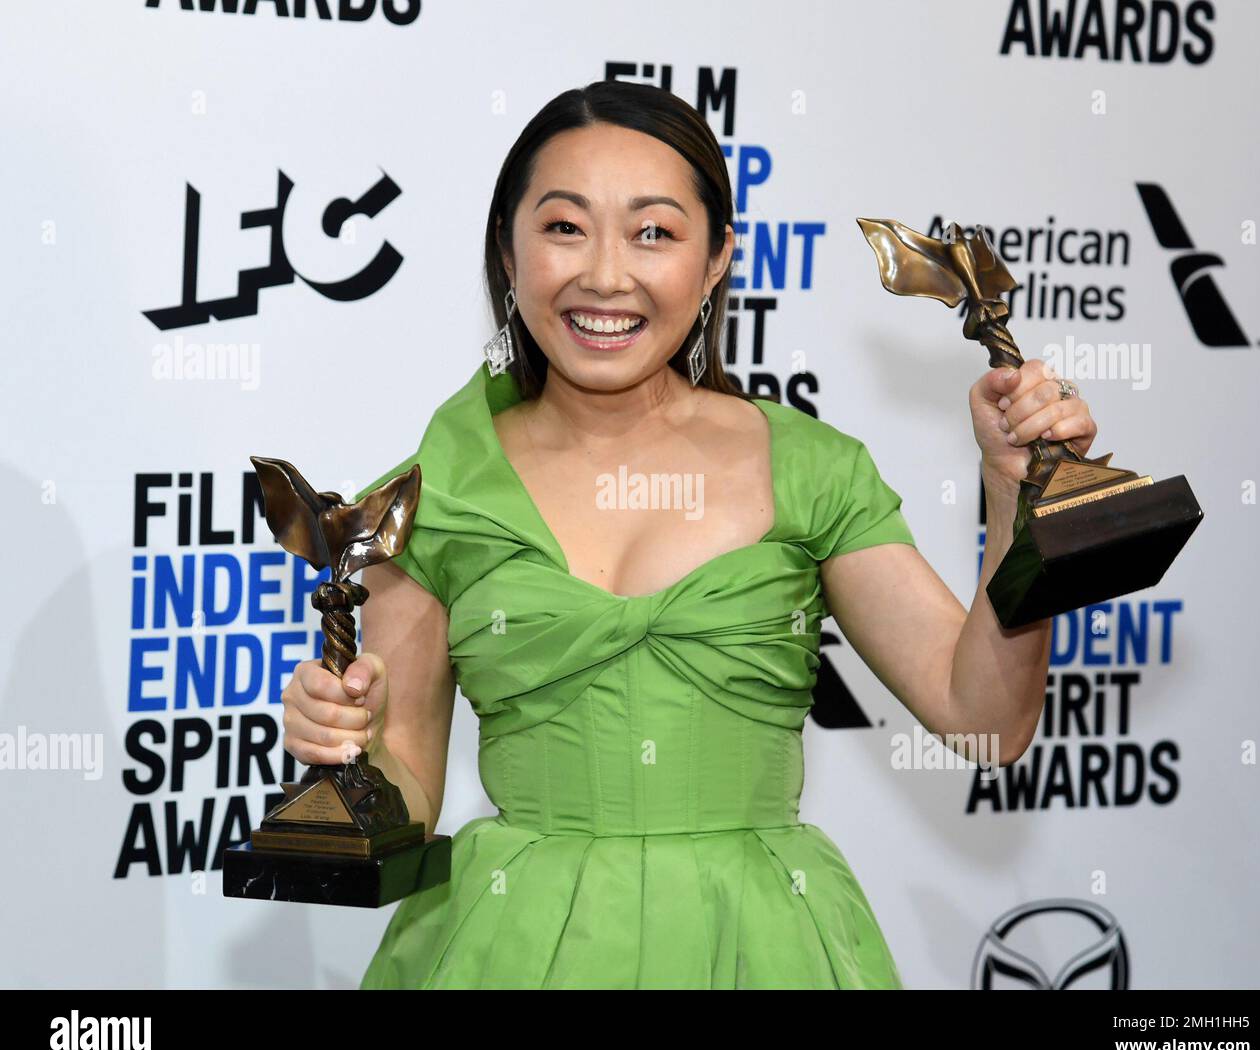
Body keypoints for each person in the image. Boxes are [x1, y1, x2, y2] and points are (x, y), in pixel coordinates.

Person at [279, 80, 1098, 989]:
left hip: (761, 945)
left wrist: (1012, 493)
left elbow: (987, 718)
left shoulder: (810, 468)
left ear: (716, 263)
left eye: (654, 232)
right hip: (513, 949)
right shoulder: (429, 494)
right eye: (563, 227)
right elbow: (413, 802)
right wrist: (346, 746)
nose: (605, 274)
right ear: (508, 252)